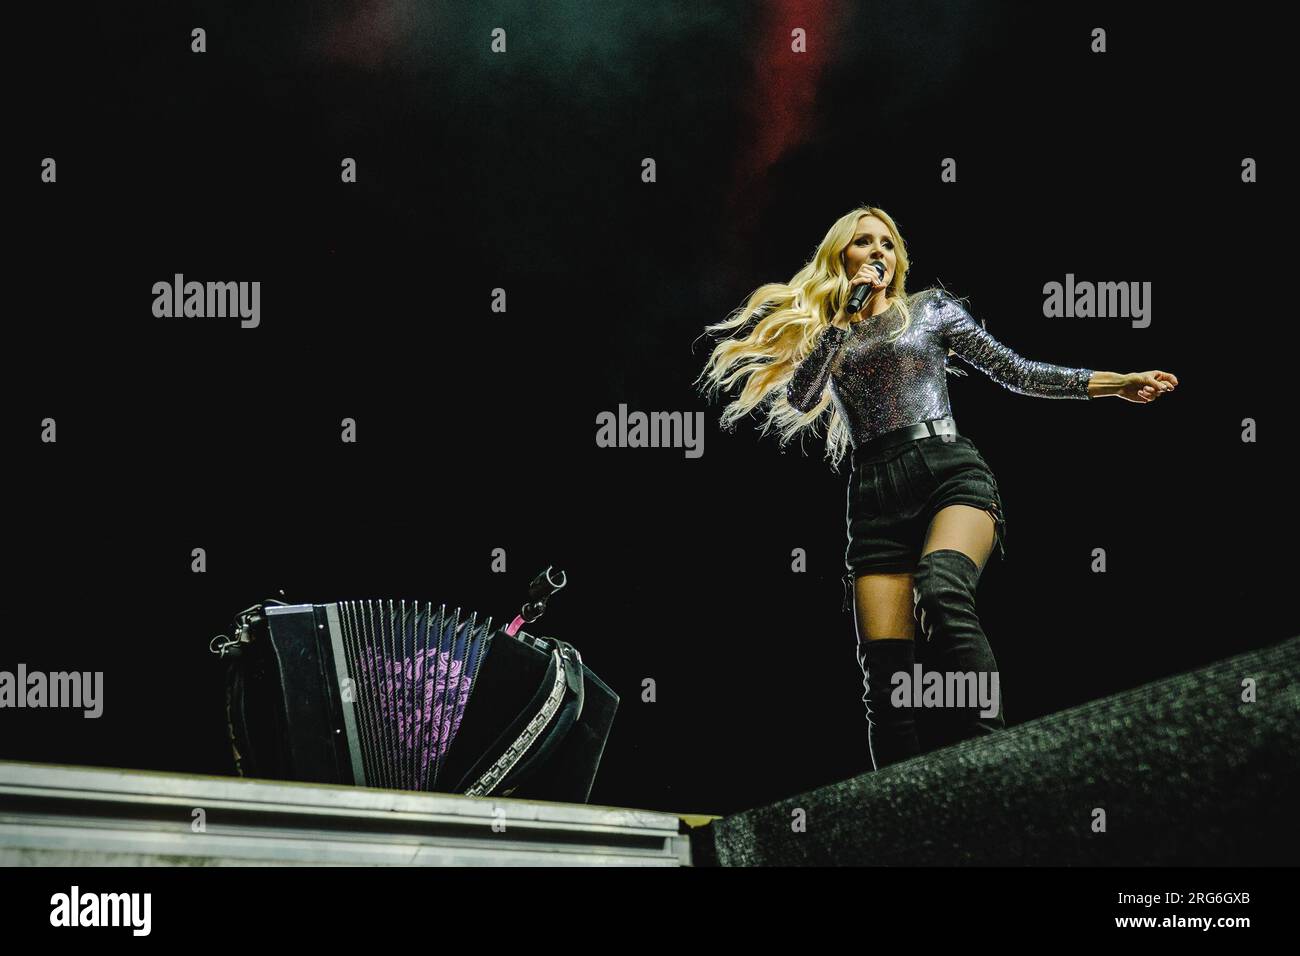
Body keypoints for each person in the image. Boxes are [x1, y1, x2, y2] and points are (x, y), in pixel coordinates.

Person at [696, 205, 1177, 770]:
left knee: (941, 588)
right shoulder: (828, 338)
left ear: (897, 258)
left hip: (947, 470)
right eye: (863, 243)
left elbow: (1017, 370)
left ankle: (989, 761)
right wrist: (838, 327)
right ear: (841, 259)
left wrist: (1113, 384)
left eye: (887, 243)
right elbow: (800, 398)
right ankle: (899, 808)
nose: (878, 251)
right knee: (885, 677)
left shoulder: (928, 311)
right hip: (874, 493)